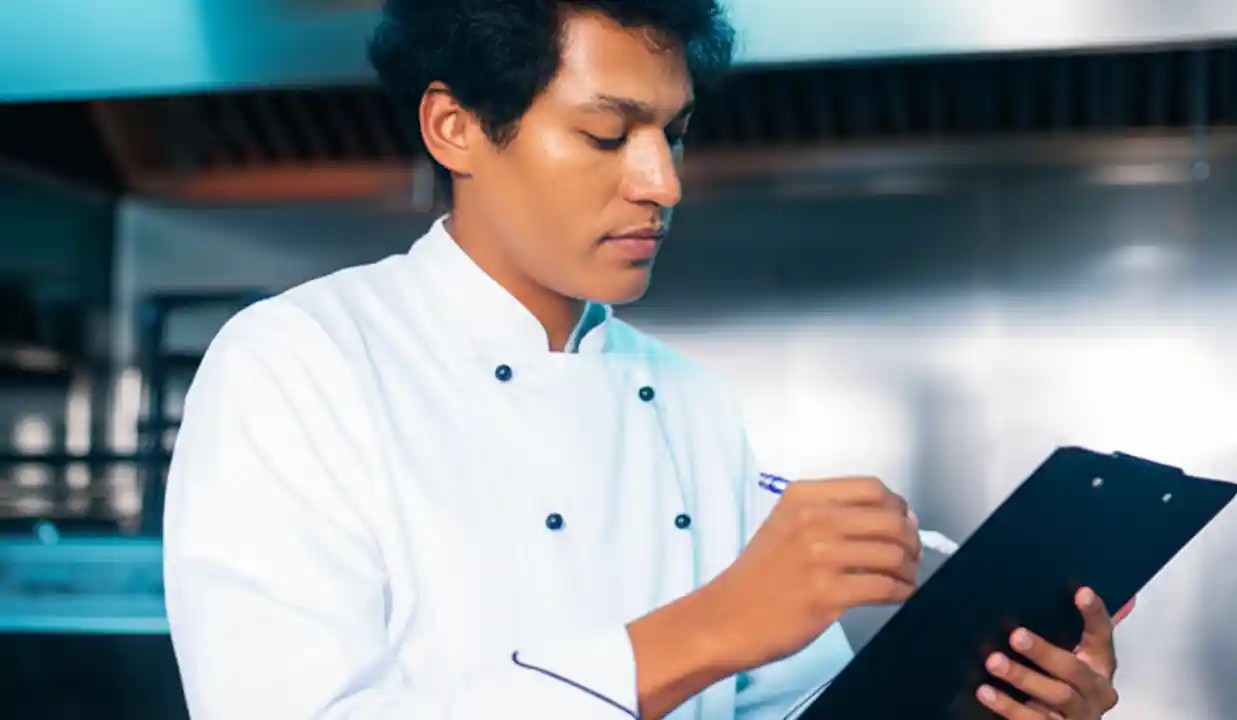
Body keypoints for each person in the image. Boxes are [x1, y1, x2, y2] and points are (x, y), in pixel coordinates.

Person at [162, 1, 1129, 718]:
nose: (662, 181)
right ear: (455, 128)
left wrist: (988, 704)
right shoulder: (299, 365)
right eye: (605, 133)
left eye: (675, 133)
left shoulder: (689, 400)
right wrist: (712, 627)